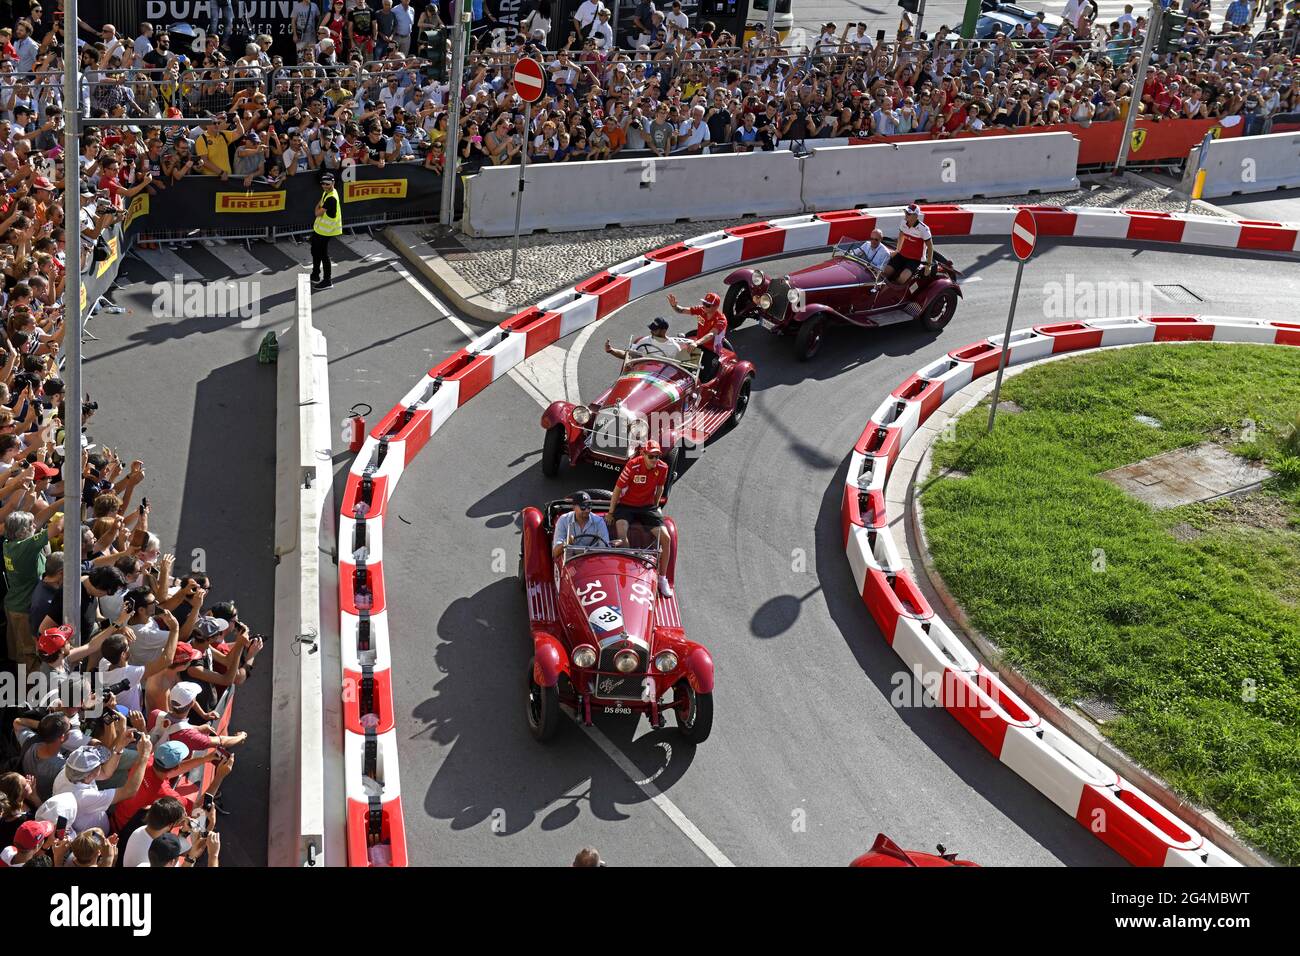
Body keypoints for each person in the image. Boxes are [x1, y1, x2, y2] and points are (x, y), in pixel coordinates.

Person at [607, 441, 674, 596]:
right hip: (626, 506)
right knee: (623, 538)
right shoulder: (632, 465)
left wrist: (656, 507)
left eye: (657, 456)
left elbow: (660, 487)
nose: (654, 460)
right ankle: (629, 573)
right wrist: (611, 512)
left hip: (647, 507)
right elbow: (617, 489)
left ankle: (662, 578)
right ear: (643, 454)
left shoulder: (662, 468)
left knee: (666, 539)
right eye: (651, 456)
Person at [666, 291, 727, 383]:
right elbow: (681, 310)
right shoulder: (701, 310)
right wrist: (674, 306)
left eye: (708, 305)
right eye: (704, 303)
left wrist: (696, 342)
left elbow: (711, 334)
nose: (704, 306)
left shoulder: (721, 319)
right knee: (681, 367)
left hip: (711, 351)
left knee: (703, 378)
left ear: (715, 307)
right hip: (699, 345)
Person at [876, 204, 934, 288]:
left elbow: (930, 247)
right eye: (906, 212)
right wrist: (897, 250)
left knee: (903, 277)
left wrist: (928, 266)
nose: (906, 215)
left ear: (916, 216)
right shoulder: (903, 223)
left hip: (915, 260)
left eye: (908, 213)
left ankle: (892, 291)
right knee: (885, 272)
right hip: (902, 255)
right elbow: (901, 235)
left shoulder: (924, 229)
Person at [552, 491, 610, 564]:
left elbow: (604, 550)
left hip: (593, 561)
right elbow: (555, 552)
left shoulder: (599, 521)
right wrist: (566, 542)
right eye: (583, 507)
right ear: (574, 507)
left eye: (589, 506)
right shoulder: (563, 520)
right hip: (570, 562)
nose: (587, 510)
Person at [605, 318, 695, 362]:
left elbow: (679, 368)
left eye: (655, 329)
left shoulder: (674, 347)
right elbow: (628, 355)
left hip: (660, 380)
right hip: (641, 373)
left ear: (664, 331)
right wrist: (611, 350)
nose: (651, 331)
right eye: (651, 329)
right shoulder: (644, 340)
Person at [311, 171, 341, 290]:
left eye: (328, 184)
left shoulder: (331, 198)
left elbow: (317, 212)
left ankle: (327, 280)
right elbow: (319, 208)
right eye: (323, 183)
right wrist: (319, 207)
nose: (325, 186)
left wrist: (318, 208)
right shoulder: (326, 193)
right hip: (320, 229)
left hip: (327, 231)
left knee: (323, 255)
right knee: (314, 251)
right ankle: (315, 274)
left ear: (333, 183)